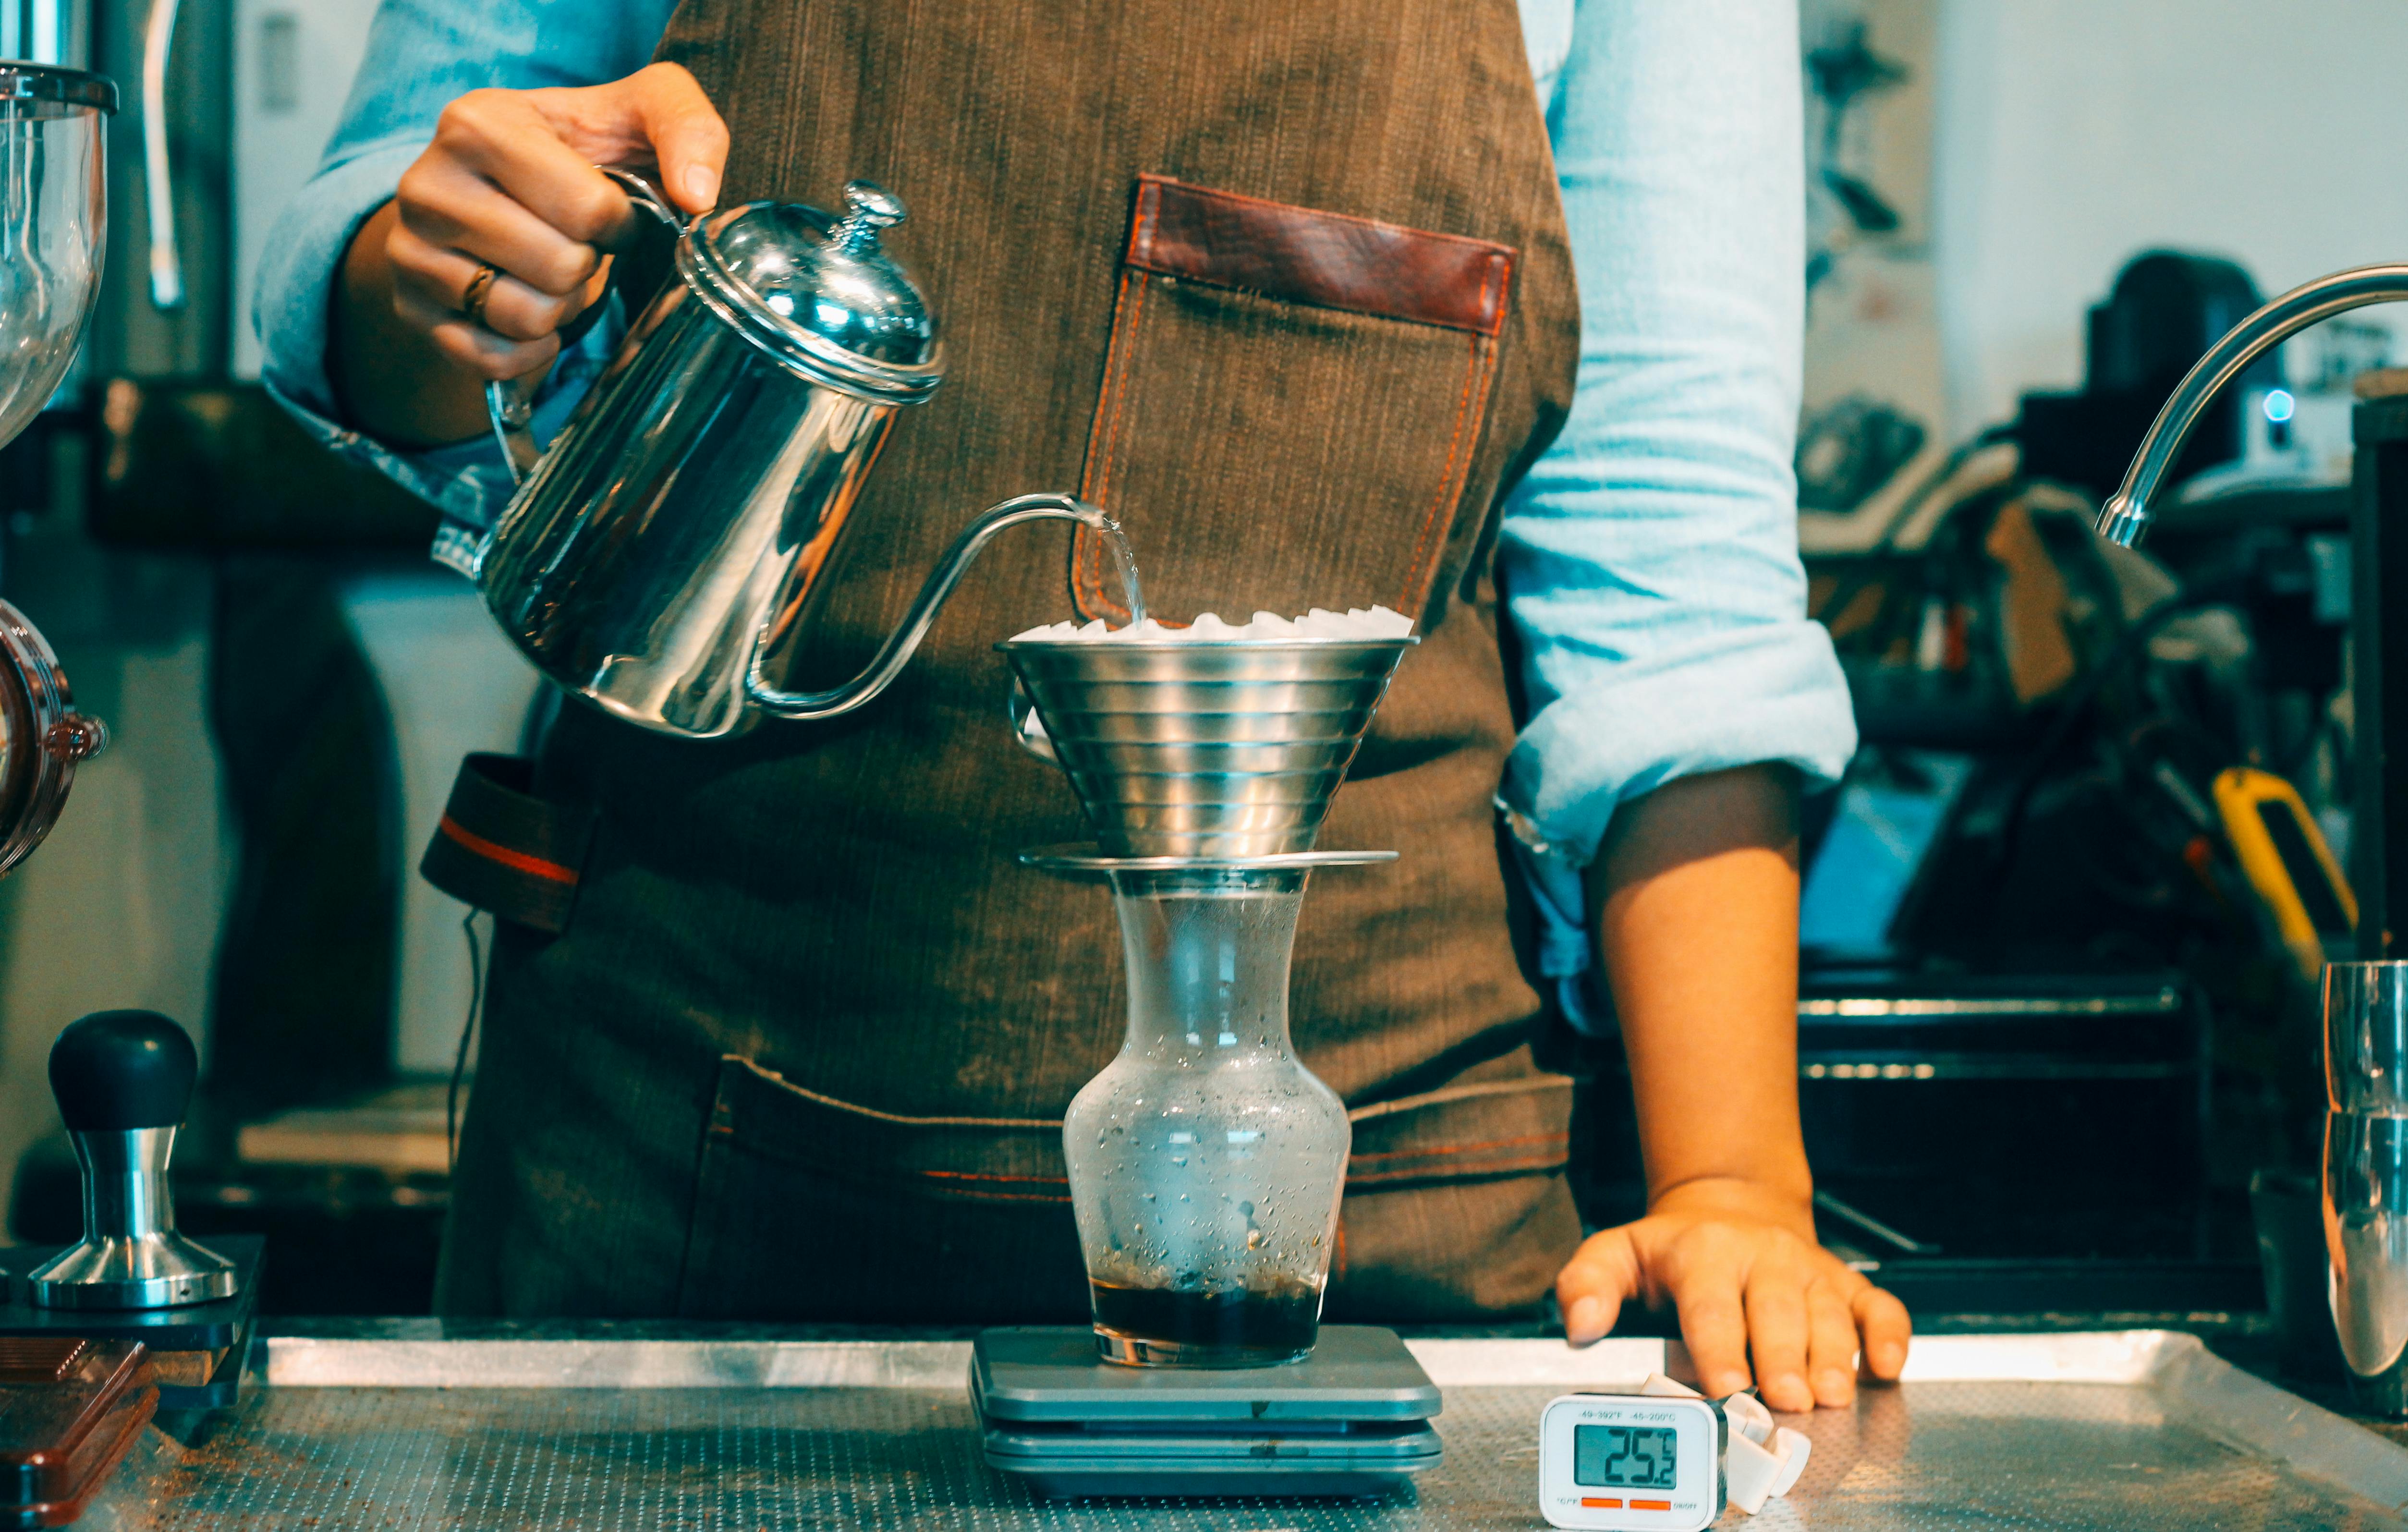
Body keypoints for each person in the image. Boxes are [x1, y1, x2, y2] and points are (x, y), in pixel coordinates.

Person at [259, 0, 1911, 1411]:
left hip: (1382, 1206)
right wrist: (434, 273)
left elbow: (1668, 575)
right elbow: (383, 263)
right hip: (686, 1182)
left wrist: (1731, 1182)